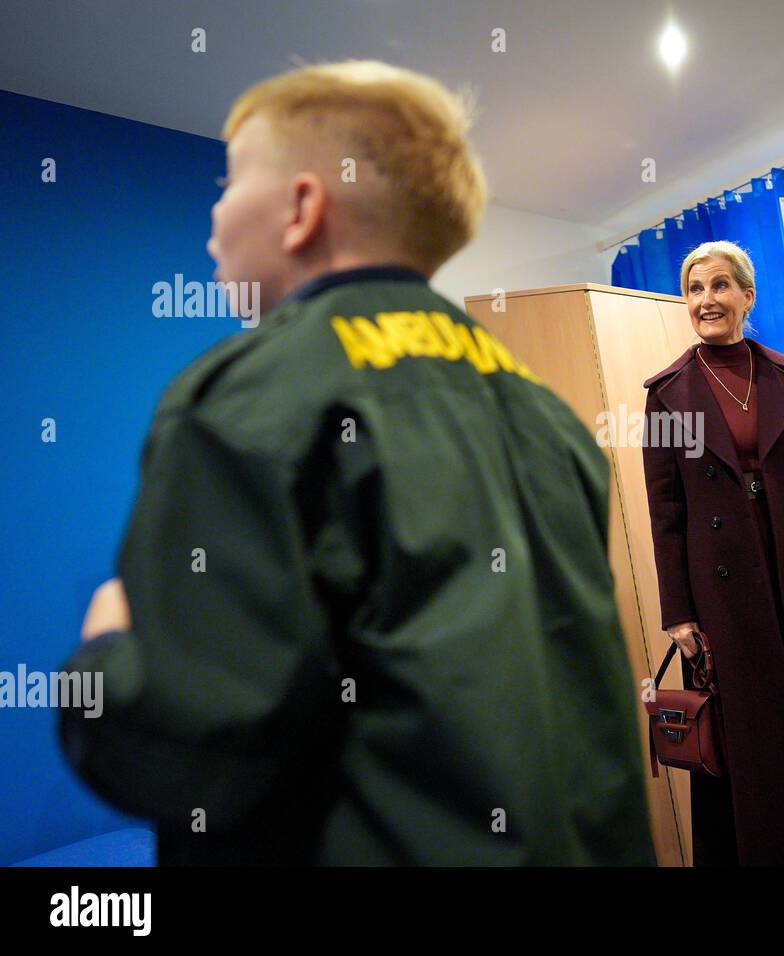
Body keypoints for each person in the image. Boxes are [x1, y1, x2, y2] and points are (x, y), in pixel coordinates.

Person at [62, 60, 655, 866]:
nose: (211, 224)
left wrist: (102, 662)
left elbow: (193, 755)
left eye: (228, 184)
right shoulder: (546, 415)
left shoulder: (244, 401)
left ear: (304, 206)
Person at [642, 240, 784, 866]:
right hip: (725, 594)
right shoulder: (666, 395)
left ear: (747, 295)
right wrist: (679, 612)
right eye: (694, 290)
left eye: (717, 286)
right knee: (754, 735)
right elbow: (667, 512)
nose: (705, 301)